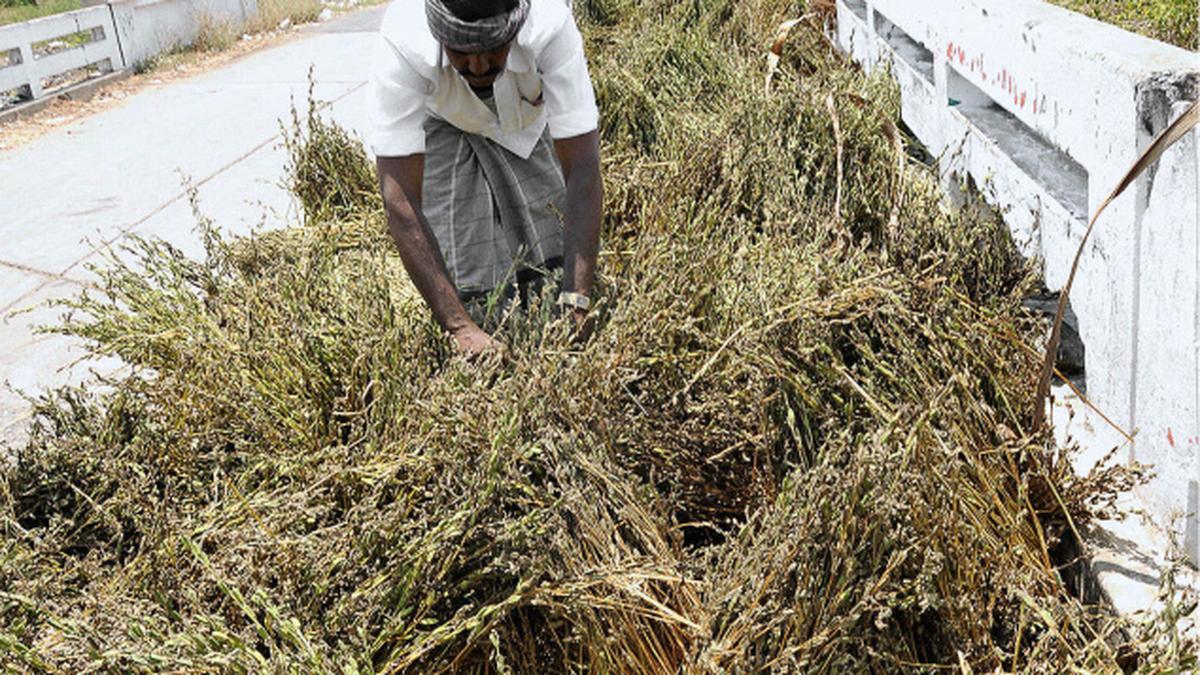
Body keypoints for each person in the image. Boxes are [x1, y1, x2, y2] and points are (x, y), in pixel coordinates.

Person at [369, 0, 603, 355]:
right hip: (444, 119)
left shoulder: (550, 23)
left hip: (522, 119)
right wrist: (459, 326)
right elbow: (399, 196)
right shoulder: (403, 39)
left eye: (494, 48)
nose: (478, 66)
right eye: (460, 51)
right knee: (470, 278)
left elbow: (583, 165)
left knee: (551, 262)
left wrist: (577, 300)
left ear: (516, 27)